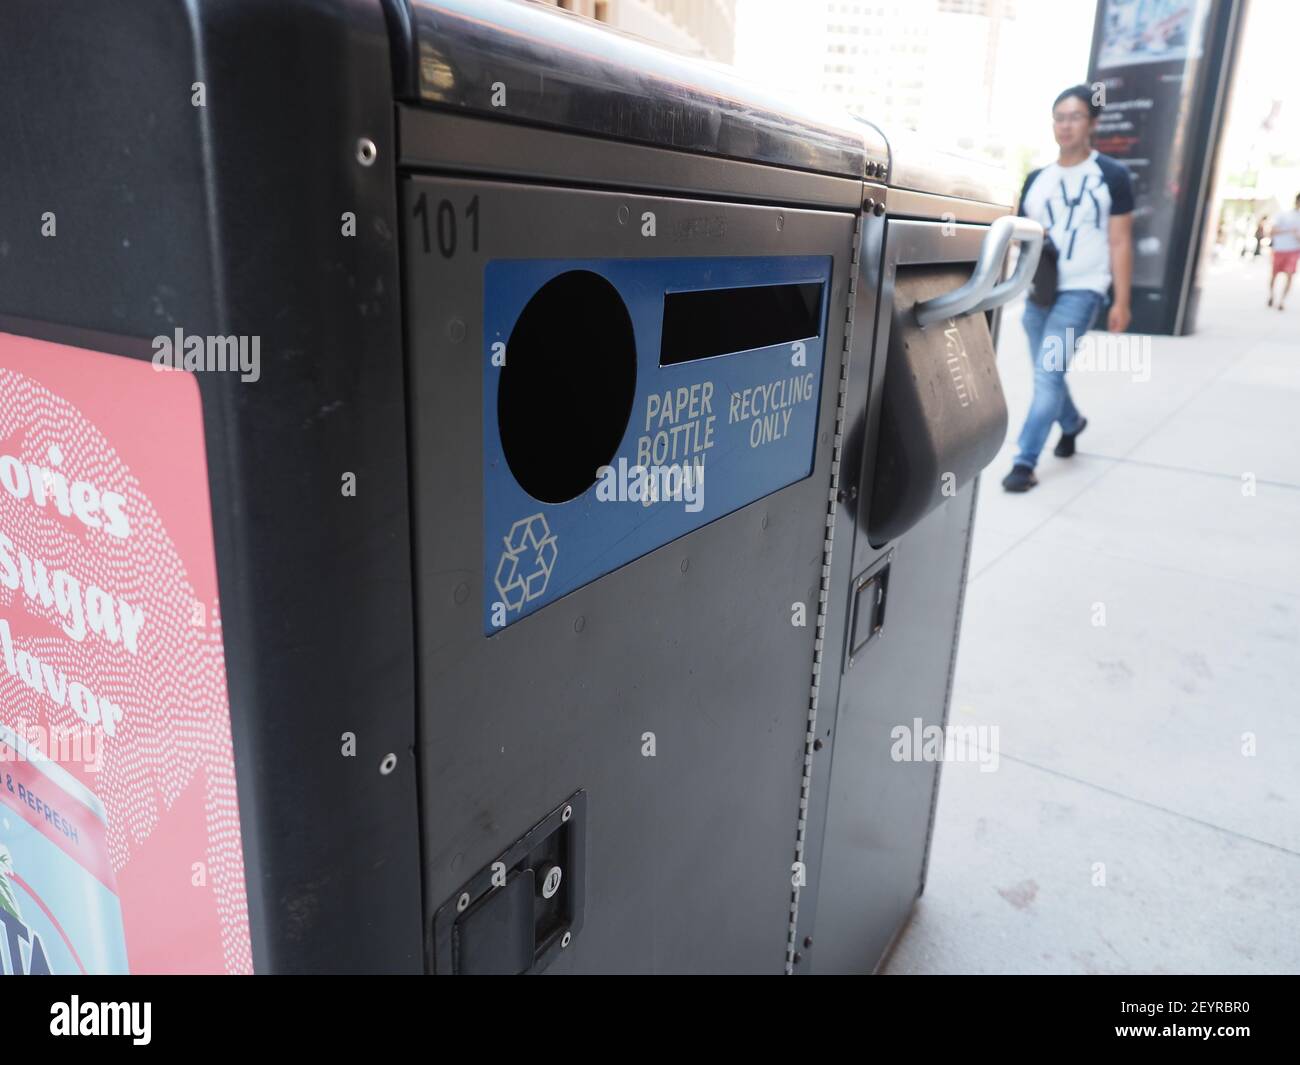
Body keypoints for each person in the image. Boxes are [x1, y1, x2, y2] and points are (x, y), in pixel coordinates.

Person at [1002, 84, 1134, 493]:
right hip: (1040, 289)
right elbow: (1020, 236)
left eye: (1075, 116)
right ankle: (1072, 422)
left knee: (1047, 373)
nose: (1065, 125)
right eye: (1059, 117)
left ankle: (1024, 461)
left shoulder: (1112, 175)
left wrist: (1122, 301)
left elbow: (1120, 241)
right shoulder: (1036, 179)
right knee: (1049, 373)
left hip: (1083, 289)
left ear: (1092, 122)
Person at [1267, 194, 1300, 310]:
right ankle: (1272, 295)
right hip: (1280, 249)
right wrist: (1289, 231)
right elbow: (1272, 231)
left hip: (1294, 250)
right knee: (1274, 275)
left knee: (1289, 275)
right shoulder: (1283, 214)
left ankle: (1281, 301)